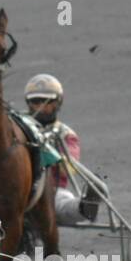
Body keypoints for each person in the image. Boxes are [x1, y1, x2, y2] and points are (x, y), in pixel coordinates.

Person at [23, 73, 105, 225]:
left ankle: (86, 206)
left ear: (58, 103)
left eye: (48, 101)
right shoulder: (18, 126)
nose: (41, 106)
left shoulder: (65, 134)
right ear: (28, 103)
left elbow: (68, 168)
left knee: (61, 204)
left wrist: (43, 149)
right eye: (36, 101)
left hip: (51, 189)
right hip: (18, 186)